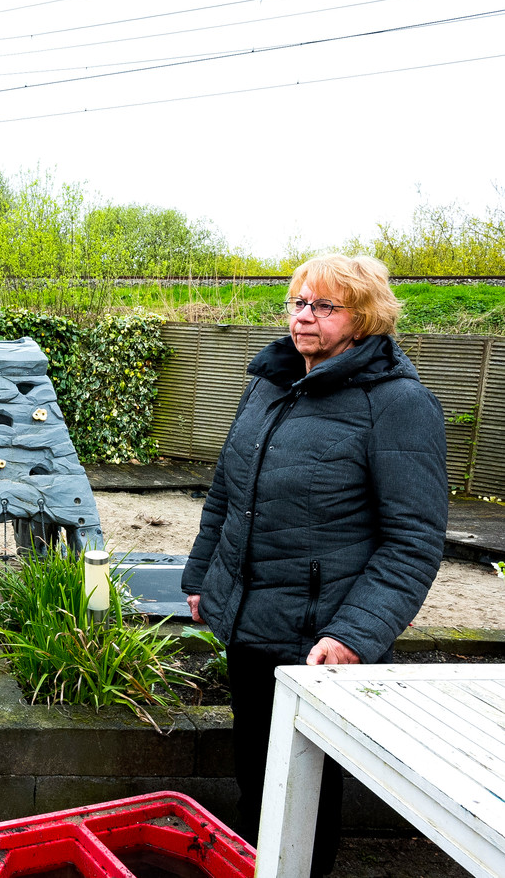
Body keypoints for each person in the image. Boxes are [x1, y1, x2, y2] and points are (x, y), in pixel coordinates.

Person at [181, 253, 447, 876]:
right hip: (250, 623)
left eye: (325, 306)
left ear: (365, 317)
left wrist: (353, 635)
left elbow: (412, 540)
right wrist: (201, 577)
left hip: (319, 640)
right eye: (299, 302)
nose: (304, 316)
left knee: (307, 795)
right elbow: (227, 491)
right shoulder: (269, 382)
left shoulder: (398, 403)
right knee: (256, 774)